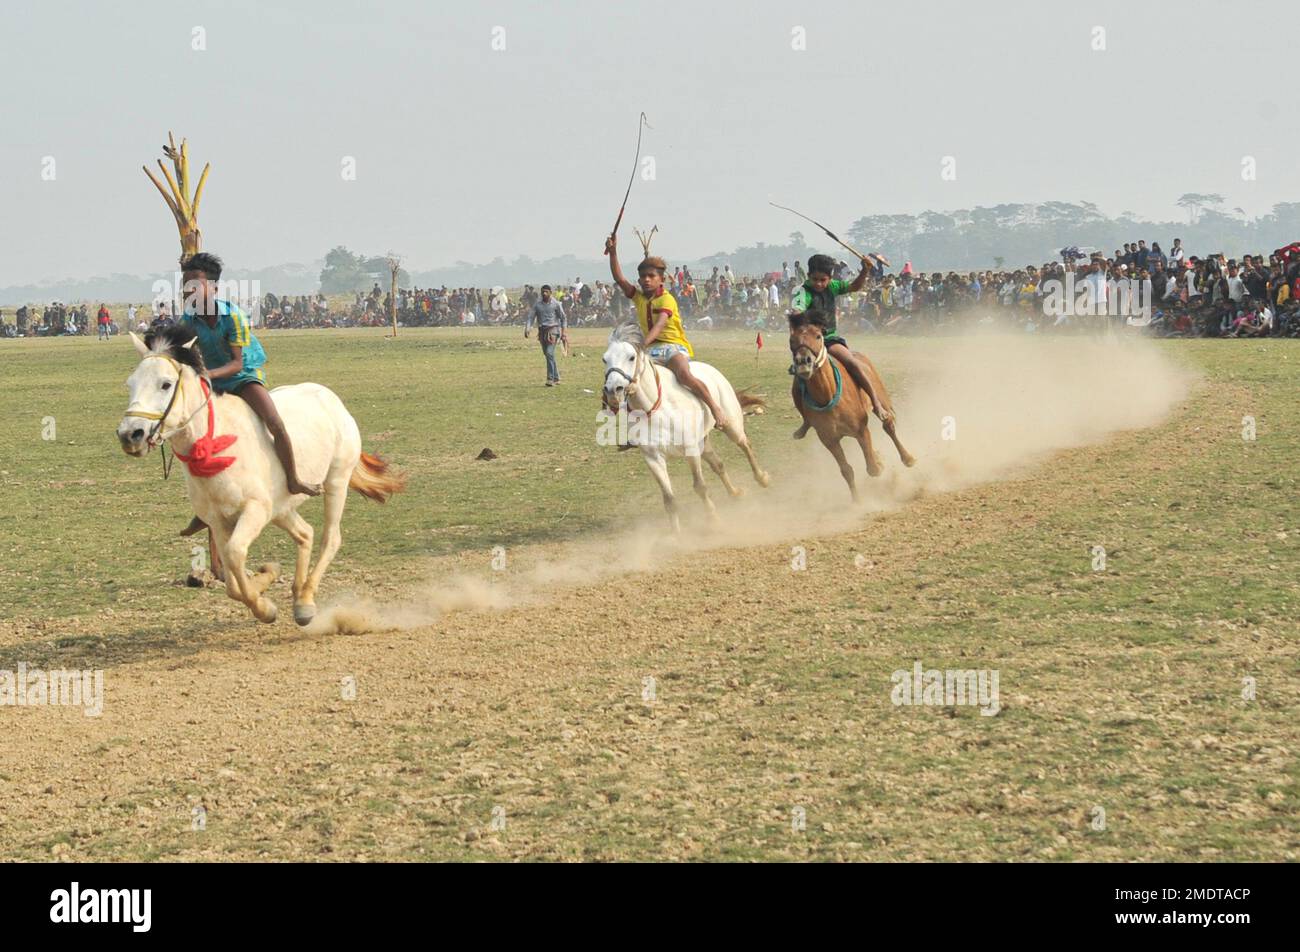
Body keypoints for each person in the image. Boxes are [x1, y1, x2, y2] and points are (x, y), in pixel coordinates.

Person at [175, 252, 320, 537]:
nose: (189, 289)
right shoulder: (188, 318)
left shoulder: (233, 316)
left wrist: (208, 376)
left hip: (241, 376)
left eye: (196, 283)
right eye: (185, 284)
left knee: (274, 421)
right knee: (195, 437)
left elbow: (236, 363)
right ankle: (204, 510)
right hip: (211, 378)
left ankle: (293, 480)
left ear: (213, 288)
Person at [604, 231, 728, 430]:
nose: (646, 280)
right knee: (626, 379)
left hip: (673, 347)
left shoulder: (667, 299)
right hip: (649, 349)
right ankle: (631, 426)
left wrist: (640, 346)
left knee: (684, 375)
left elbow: (660, 325)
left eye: (651, 276)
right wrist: (613, 252)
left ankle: (715, 408)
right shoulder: (639, 297)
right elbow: (620, 278)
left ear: (661, 279)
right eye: (643, 276)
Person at [790, 253, 890, 440]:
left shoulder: (834, 286)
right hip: (809, 344)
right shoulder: (802, 291)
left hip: (829, 340)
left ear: (830, 278)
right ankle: (806, 420)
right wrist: (799, 316)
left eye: (823, 280)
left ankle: (875, 403)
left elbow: (854, 286)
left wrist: (865, 270)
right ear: (809, 276)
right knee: (798, 383)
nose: (819, 284)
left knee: (853, 363)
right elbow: (797, 308)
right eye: (815, 279)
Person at [524, 285, 568, 386]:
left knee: (549, 353)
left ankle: (550, 379)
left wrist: (564, 332)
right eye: (543, 292)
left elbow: (563, 318)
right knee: (548, 355)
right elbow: (531, 317)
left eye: (546, 292)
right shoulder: (537, 305)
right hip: (542, 332)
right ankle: (557, 377)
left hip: (553, 331)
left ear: (550, 292)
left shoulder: (556, 304)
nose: (544, 294)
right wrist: (528, 328)